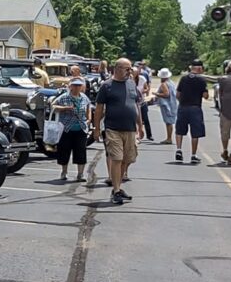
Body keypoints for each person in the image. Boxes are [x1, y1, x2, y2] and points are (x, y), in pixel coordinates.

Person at [92, 56, 141, 204]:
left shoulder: (132, 84)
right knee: (117, 158)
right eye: (127, 69)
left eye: (131, 68)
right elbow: (99, 108)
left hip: (130, 129)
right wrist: (96, 128)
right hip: (113, 129)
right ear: (117, 69)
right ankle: (117, 191)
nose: (130, 71)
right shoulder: (107, 86)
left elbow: (136, 106)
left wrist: (141, 126)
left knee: (128, 159)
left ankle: (117, 188)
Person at [51, 75, 91, 182]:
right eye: (75, 85)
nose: (77, 87)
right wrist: (65, 108)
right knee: (64, 151)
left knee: (81, 151)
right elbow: (53, 106)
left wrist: (89, 119)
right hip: (66, 128)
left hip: (81, 128)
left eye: (79, 85)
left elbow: (88, 107)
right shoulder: (64, 97)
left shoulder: (84, 97)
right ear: (70, 86)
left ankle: (80, 174)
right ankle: (64, 172)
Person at [173, 59, 210, 165]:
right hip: (195, 108)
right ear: (199, 68)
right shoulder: (201, 80)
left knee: (179, 130)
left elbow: (178, 94)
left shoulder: (183, 78)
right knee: (195, 132)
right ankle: (193, 155)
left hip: (183, 107)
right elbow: (205, 96)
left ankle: (179, 150)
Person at [134, 60, 154, 143]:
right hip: (133, 102)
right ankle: (136, 135)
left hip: (141, 101)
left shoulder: (143, 77)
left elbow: (147, 86)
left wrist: (144, 91)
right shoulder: (129, 79)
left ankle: (149, 135)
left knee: (145, 118)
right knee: (134, 119)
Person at [154, 68, 177, 142]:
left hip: (166, 104)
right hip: (173, 103)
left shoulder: (164, 84)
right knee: (170, 121)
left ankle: (169, 138)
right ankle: (169, 137)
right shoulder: (171, 83)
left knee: (168, 122)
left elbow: (166, 94)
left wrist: (156, 94)